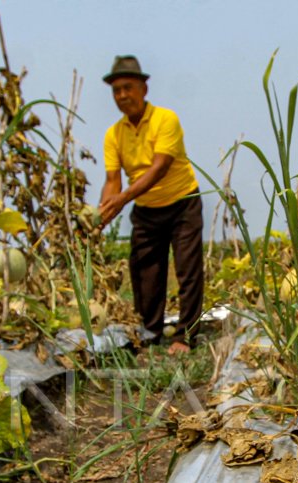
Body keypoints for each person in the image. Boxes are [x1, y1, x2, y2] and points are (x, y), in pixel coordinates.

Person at [99, 55, 204, 355]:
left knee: (187, 271)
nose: (122, 95)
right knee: (145, 273)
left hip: (182, 202)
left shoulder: (165, 120)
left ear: (144, 89)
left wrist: (121, 200)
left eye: (128, 88)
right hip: (146, 210)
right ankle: (149, 332)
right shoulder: (114, 134)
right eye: (116, 90)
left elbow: (159, 168)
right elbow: (112, 181)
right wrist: (101, 213)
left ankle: (185, 336)